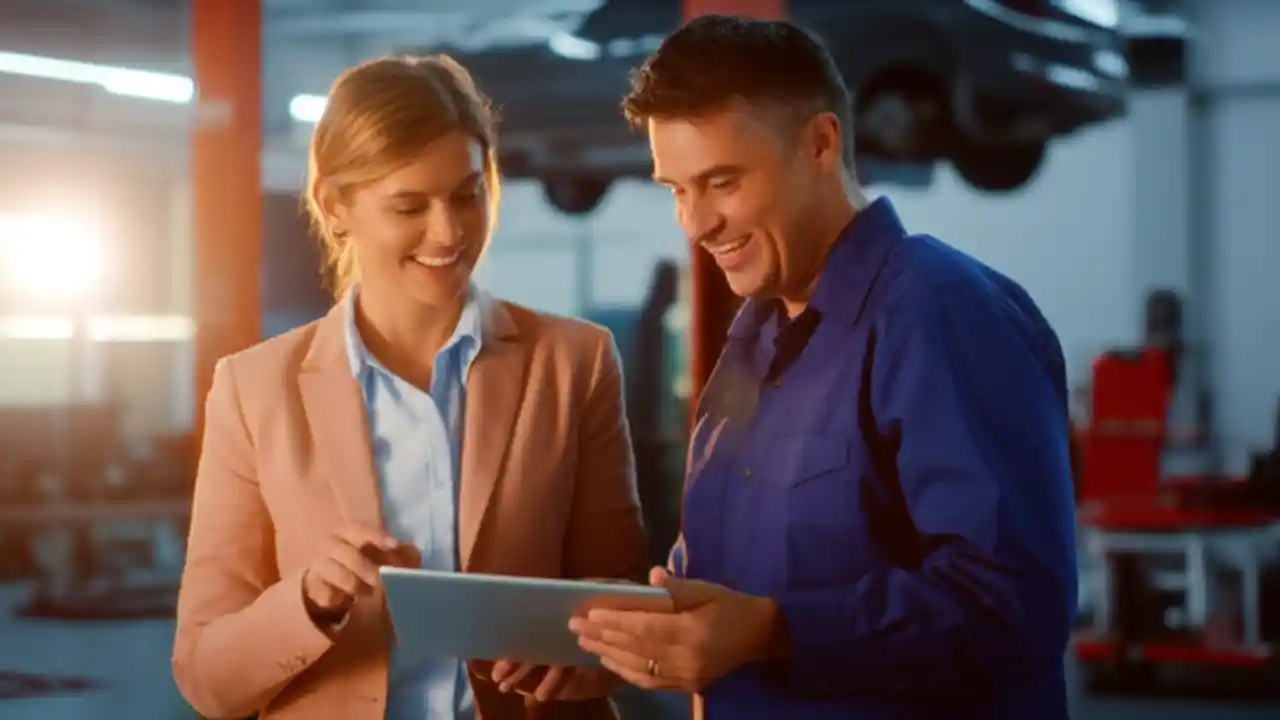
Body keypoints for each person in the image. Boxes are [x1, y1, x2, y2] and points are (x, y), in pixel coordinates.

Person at [570, 15, 1077, 720]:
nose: (695, 223)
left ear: (819, 144)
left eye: (722, 181)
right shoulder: (754, 337)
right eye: (676, 189)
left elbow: (1014, 608)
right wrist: (623, 637)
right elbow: (723, 589)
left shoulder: (941, 312)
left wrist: (776, 631)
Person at [172, 54, 647, 720]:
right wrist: (307, 601)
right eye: (409, 206)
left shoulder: (575, 362)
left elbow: (622, 604)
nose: (449, 232)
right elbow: (205, 677)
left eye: (467, 194)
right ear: (336, 208)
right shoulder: (254, 391)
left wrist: (578, 652)